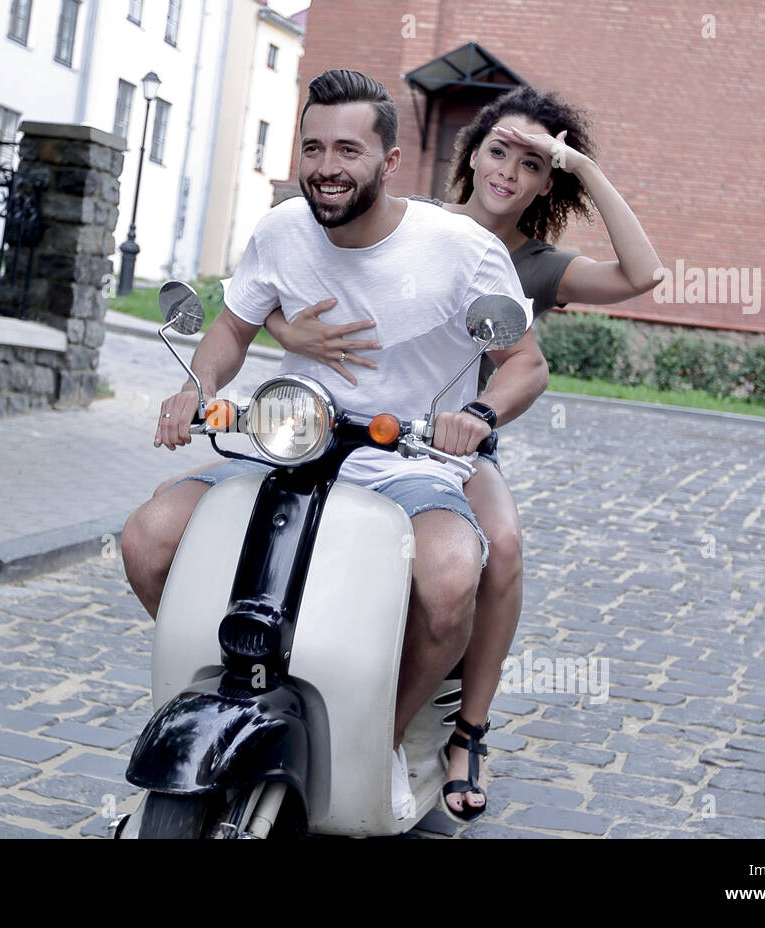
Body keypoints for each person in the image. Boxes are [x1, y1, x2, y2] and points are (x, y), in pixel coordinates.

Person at [120, 69, 549, 821]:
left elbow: (526, 363)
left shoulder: (461, 249)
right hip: (287, 440)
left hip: (406, 459)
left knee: (451, 579)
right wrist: (199, 387)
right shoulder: (281, 229)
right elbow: (230, 328)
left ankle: (374, 741)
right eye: (312, 147)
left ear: (388, 162)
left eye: (347, 149)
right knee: (149, 539)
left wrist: (477, 413)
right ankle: (232, 691)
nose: (326, 166)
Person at [259, 84, 663, 819]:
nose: (511, 170)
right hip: (359, 428)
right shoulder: (406, 222)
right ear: (471, 152)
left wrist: (583, 165)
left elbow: (643, 276)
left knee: (499, 545)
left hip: (456, 441)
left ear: (547, 182)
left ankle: (466, 730)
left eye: (534, 164)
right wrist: (289, 334)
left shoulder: (536, 265)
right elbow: (289, 285)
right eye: (500, 149)